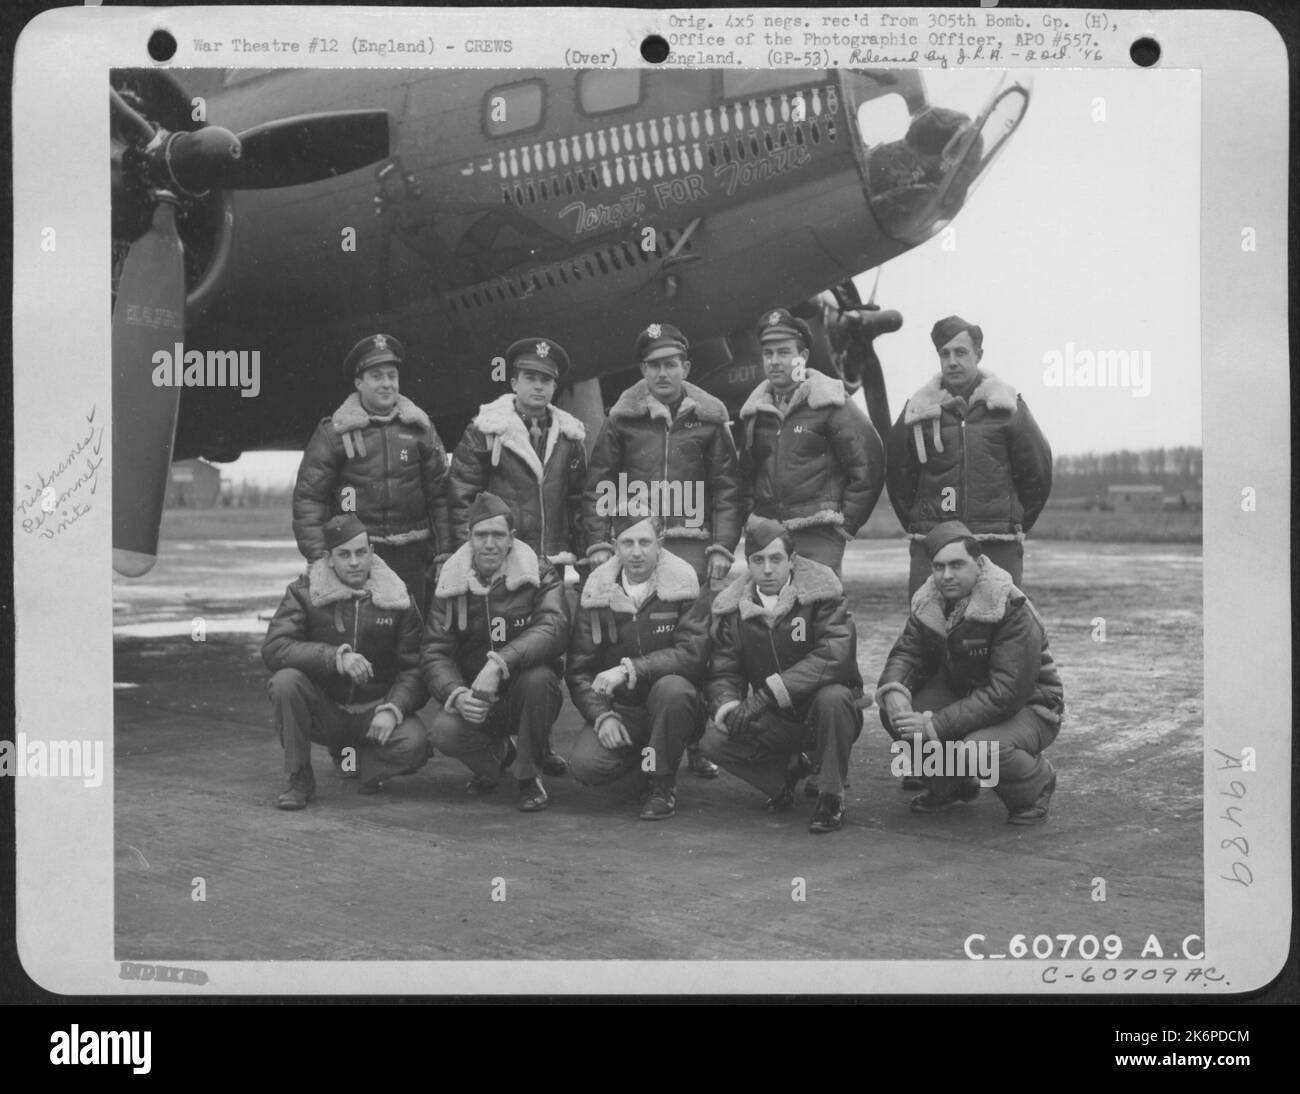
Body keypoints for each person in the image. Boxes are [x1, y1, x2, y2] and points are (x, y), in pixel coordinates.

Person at [583, 321, 743, 780]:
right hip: (637, 549)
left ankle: (692, 742)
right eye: (653, 365)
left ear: (686, 367)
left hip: (692, 549)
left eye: (671, 364)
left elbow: (728, 487)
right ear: (642, 370)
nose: (663, 373)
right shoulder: (622, 419)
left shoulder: (709, 420)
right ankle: (634, 728)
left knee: (695, 646)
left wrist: (722, 545)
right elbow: (598, 485)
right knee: (640, 636)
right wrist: (598, 542)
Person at [446, 337, 587, 778]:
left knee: (547, 657)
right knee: (495, 647)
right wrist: (468, 557)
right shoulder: (486, 430)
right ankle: (496, 741)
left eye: (546, 380)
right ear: (514, 380)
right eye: (530, 378)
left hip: (551, 559)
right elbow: (461, 498)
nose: (538, 387)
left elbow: (580, 499)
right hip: (500, 561)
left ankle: (538, 746)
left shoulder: (570, 435)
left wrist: (583, 556)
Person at [876, 521, 1063, 824]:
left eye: (956, 565)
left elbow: (1007, 693)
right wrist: (895, 690)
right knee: (899, 716)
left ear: (978, 564)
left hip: (1031, 706)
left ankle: (1037, 784)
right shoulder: (929, 602)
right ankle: (952, 786)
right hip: (969, 695)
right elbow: (908, 653)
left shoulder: (1010, 606)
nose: (946, 575)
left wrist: (935, 724)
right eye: (938, 567)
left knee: (980, 748)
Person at [700, 516, 865, 834]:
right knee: (714, 739)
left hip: (825, 718)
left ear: (792, 560)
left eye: (776, 559)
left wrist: (766, 694)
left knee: (834, 696)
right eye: (757, 560)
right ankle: (783, 777)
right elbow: (724, 671)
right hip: (775, 720)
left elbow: (835, 654)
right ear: (748, 563)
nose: (767, 569)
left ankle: (831, 797)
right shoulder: (734, 610)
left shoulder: (823, 596)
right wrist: (729, 705)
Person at [262, 514, 429, 809]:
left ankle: (363, 764)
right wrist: (335, 658)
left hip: (372, 712)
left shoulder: (398, 597)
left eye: (361, 552)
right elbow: (275, 647)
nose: (354, 562)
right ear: (328, 558)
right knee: (285, 682)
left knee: (416, 743)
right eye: (344, 554)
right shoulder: (304, 592)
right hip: (326, 710)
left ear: (372, 553)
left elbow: (413, 667)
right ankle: (299, 777)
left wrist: (393, 709)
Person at [420, 492, 569, 812]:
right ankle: (497, 761)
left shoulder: (539, 572)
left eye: (498, 535)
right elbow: (435, 651)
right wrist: (456, 693)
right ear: (469, 537)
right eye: (481, 535)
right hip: (477, 698)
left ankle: (529, 777)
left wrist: (501, 662)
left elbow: (553, 628)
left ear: (512, 538)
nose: (489, 544)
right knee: (443, 731)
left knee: (539, 679)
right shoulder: (449, 581)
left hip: (526, 695)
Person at [885, 316, 1053, 595]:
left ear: (979, 354)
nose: (952, 361)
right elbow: (898, 477)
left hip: (997, 543)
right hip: (934, 544)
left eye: (961, 352)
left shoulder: (1009, 408)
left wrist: (1011, 521)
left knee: (1000, 627)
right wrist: (924, 523)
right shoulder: (917, 410)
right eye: (944, 354)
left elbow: (1038, 473)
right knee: (931, 627)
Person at [565, 509, 711, 821]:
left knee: (673, 689)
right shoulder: (596, 589)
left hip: (675, 706)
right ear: (614, 545)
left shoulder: (686, 582)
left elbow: (692, 655)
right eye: (626, 542)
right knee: (585, 766)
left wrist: (629, 668)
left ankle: (662, 786)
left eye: (644, 542)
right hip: (624, 711)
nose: (635, 552)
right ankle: (652, 762)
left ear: (660, 542)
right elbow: (579, 670)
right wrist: (602, 717)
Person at [292, 333, 451, 615]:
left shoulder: (421, 429)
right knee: (365, 638)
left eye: (392, 376)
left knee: (413, 638)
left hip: (413, 556)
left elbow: (440, 495)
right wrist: (319, 557)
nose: (387, 384)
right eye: (377, 376)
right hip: (358, 556)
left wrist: (445, 552)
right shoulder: (334, 433)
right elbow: (309, 499)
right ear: (359, 383)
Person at [736, 308, 885, 576]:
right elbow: (745, 473)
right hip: (767, 534)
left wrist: (846, 525)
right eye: (768, 354)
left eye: (783, 352)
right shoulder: (756, 411)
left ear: (802, 357)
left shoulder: (830, 403)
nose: (774, 361)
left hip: (818, 536)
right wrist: (751, 519)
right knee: (769, 612)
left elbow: (869, 462)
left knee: (821, 612)